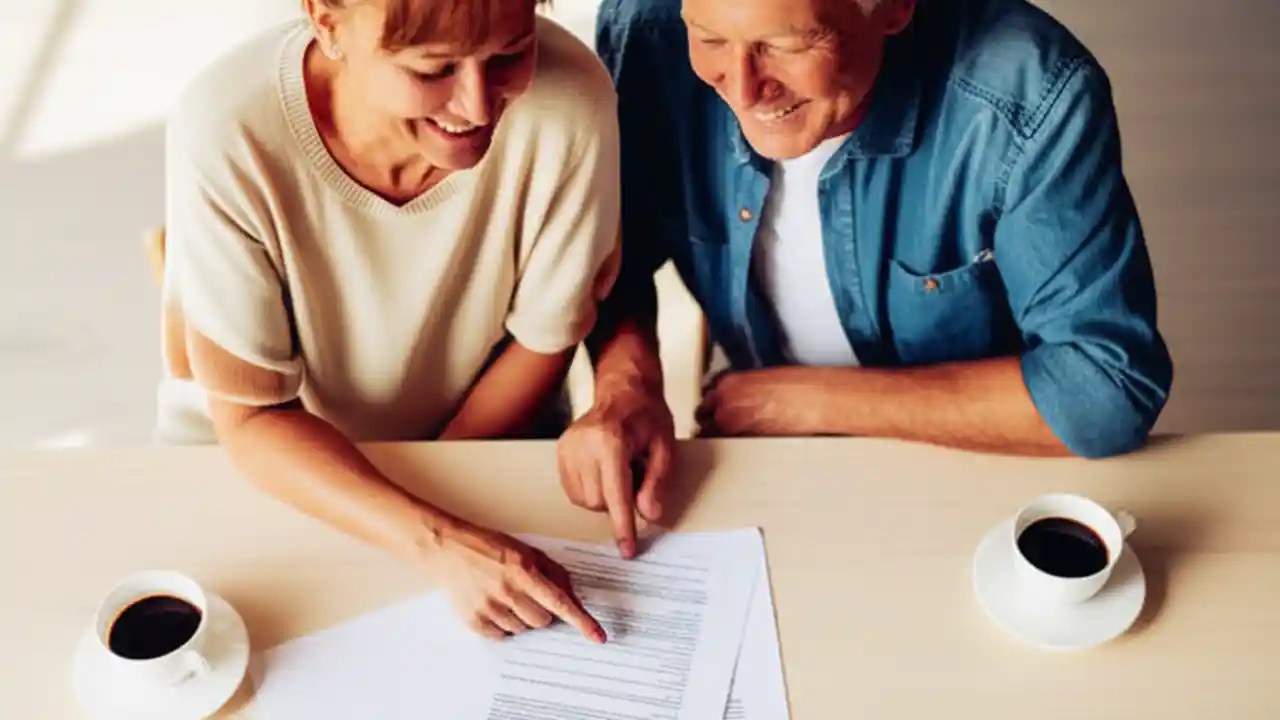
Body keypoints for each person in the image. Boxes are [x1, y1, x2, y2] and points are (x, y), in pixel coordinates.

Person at [558, 0, 1174, 557]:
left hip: (980, 465)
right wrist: (626, 384)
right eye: (710, 39)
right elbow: (618, 249)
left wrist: (807, 401)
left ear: (893, 9)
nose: (743, 90)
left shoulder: (1029, 90)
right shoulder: (646, 29)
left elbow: (1105, 389)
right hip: (759, 448)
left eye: (789, 44)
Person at [158, 0, 622, 641]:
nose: (479, 106)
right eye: (432, 70)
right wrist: (433, 539)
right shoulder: (226, 127)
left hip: (480, 452)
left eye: (510, 55)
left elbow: (544, 339)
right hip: (270, 470)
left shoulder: (573, 102)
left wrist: (442, 526)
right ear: (325, 20)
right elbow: (252, 417)